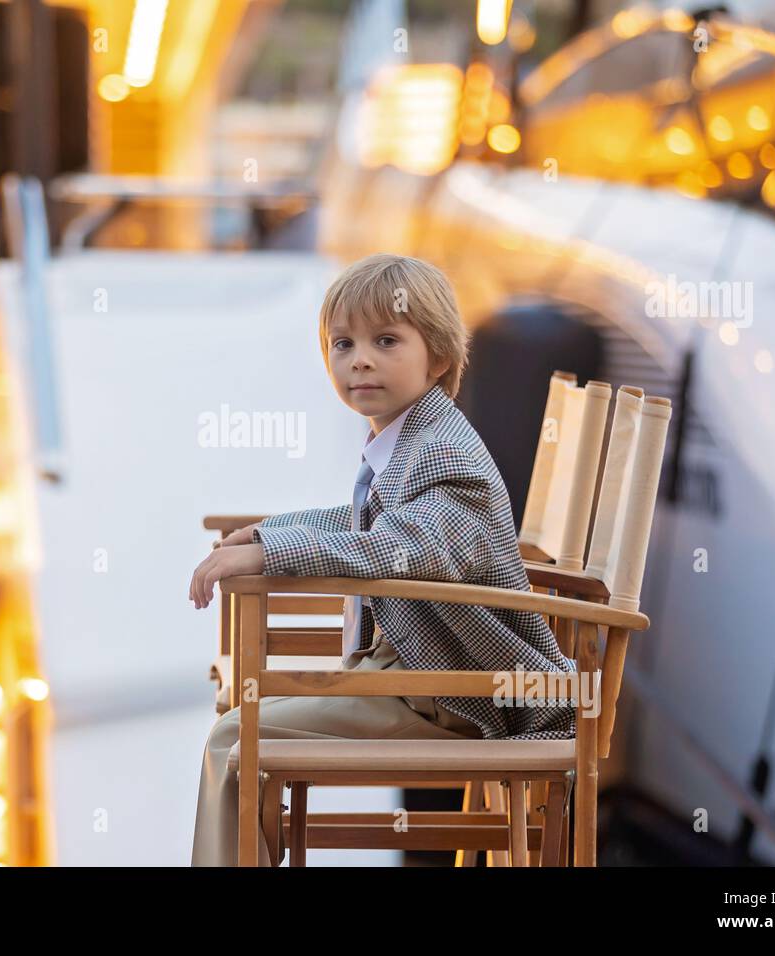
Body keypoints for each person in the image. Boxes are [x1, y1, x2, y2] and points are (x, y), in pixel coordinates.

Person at [187, 253, 575, 866]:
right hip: (412, 671)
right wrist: (266, 534)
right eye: (342, 344)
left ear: (440, 357)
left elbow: (407, 549)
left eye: (386, 340)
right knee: (240, 727)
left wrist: (275, 553)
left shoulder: (444, 455)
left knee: (234, 740)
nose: (359, 359)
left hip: (452, 693)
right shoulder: (408, 437)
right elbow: (365, 524)